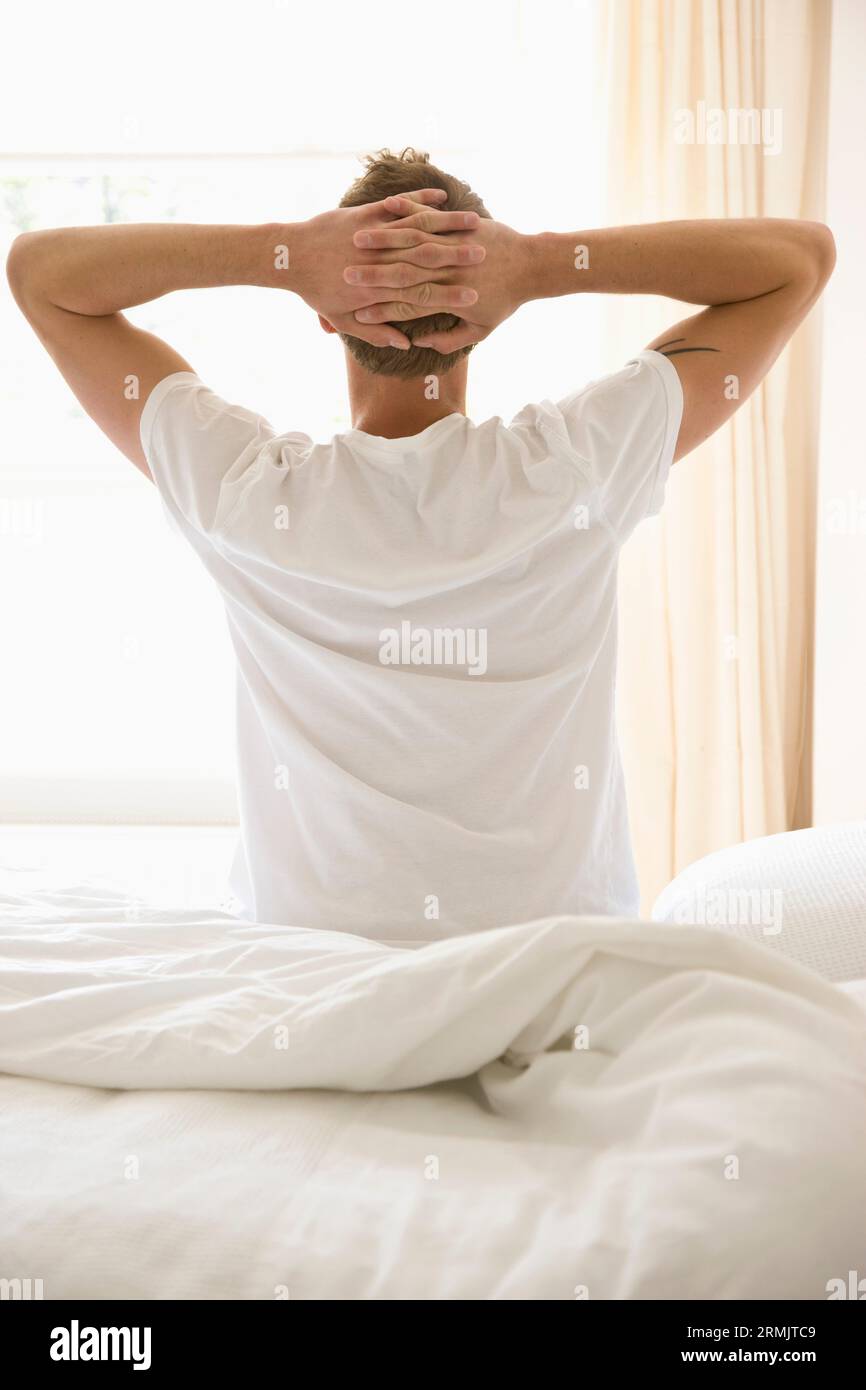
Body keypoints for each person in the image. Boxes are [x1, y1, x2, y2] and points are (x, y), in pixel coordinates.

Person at [6, 149, 835, 939]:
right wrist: (541, 265)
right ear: (485, 320)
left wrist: (286, 255)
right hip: (555, 977)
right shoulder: (573, 472)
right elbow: (798, 259)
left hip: (315, 983)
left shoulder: (245, 496)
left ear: (326, 320)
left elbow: (41, 275)